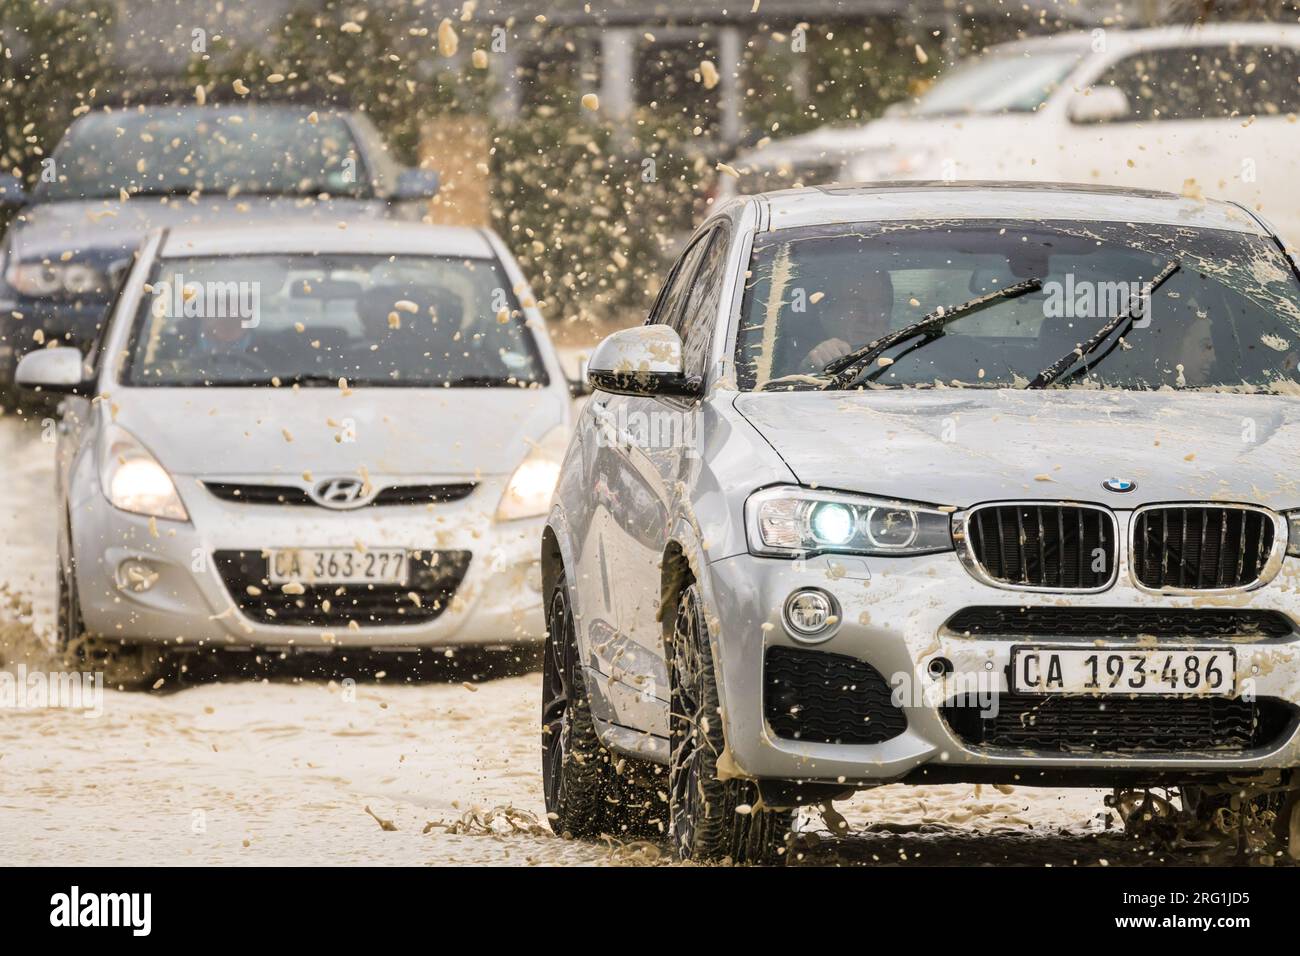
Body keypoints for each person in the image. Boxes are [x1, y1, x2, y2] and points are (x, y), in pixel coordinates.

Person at [796, 270, 895, 373]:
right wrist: (810, 370)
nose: (870, 319)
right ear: (825, 312)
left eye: (881, 306)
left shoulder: (907, 352)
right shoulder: (786, 360)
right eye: (857, 305)